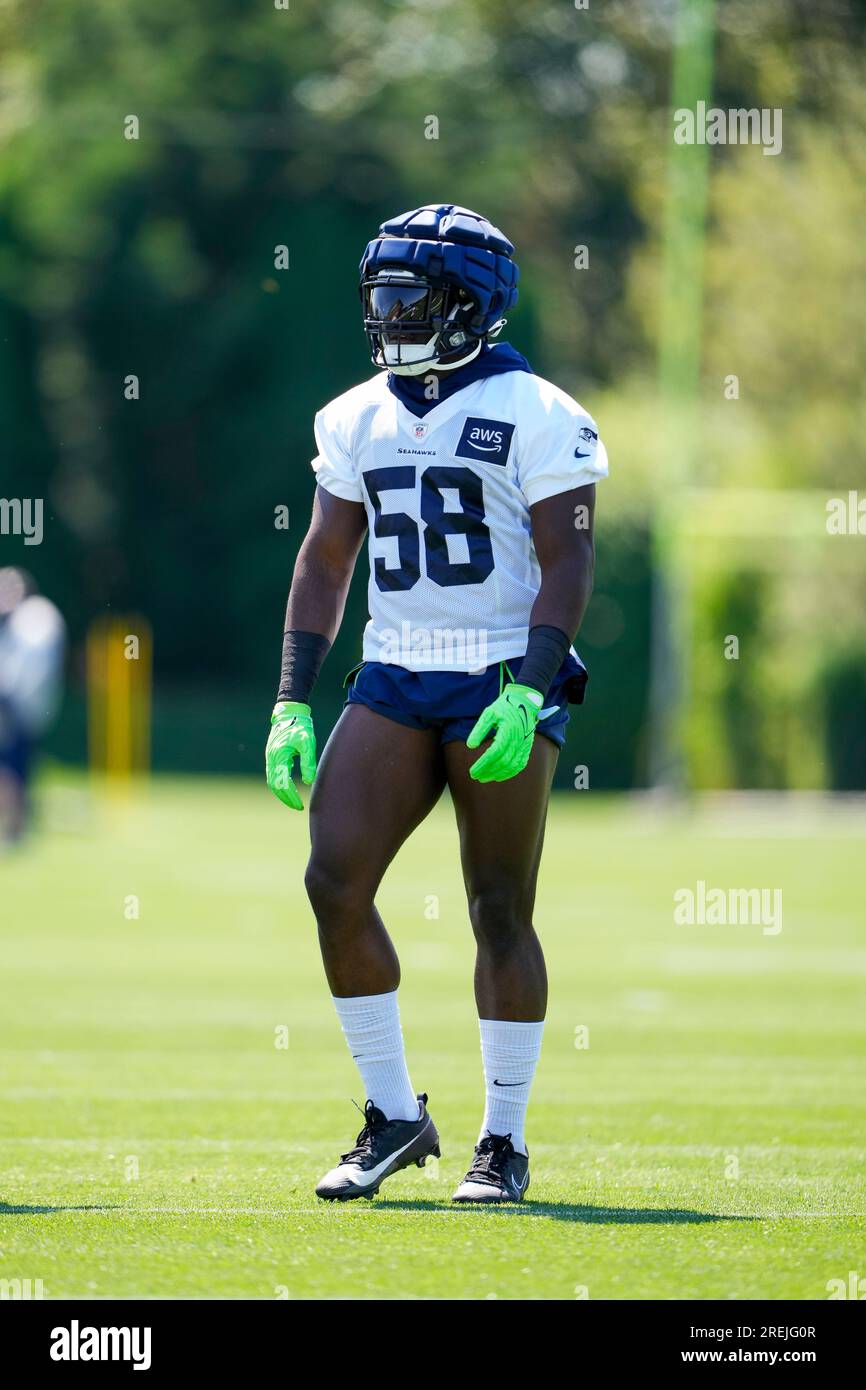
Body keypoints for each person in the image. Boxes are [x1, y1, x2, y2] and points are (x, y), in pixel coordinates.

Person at [266, 204, 608, 1203]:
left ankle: (501, 1142)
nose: (389, 315)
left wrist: (532, 685)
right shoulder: (353, 414)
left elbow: (567, 557)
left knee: (497, 906)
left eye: (409, 297)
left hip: (502, 669)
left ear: (469, 305)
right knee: (334, 881)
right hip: (396, 668)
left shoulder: (542, 411)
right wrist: (292, 698)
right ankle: (394, 1117)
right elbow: (326, 558)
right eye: (381, 297)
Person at [0, 568, 66, 842]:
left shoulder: (34, 616)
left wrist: (9, 696)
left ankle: (17, 829)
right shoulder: (29, 617)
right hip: (26, 705)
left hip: (20, 706)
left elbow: (28, 668)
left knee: (14, 769)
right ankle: (16, 827)